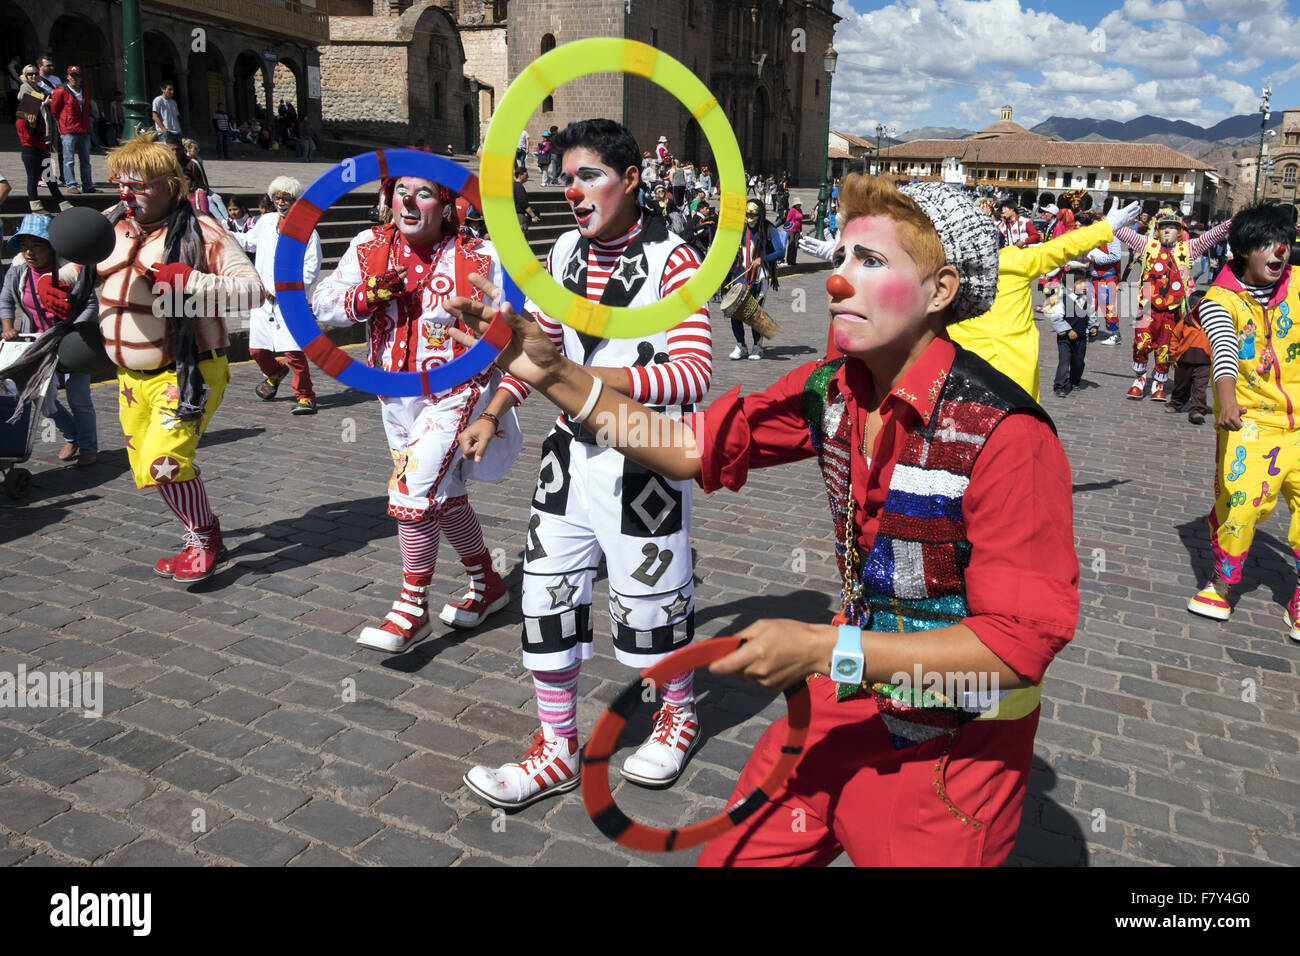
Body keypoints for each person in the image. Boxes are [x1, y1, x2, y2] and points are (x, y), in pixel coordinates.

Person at [449, 173, 1078, 866]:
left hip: (954, 757)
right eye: (839, 258)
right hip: (842, 710)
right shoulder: (833, 389)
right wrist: (552, 375)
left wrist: (824, 652)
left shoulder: (1009, 437)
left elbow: (1015, 651)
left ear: (941, 291)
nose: (836, 282)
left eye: (871, 262)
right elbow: (688, 449)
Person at [459, 118, 714, 809]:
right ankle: (555, 748)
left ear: (632, 180)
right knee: (544, 598)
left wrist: (589, 380)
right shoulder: (563, 251)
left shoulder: (675, 262)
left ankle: (678, 712)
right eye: (566, 176)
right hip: (567, 455)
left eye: (589, 175)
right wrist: (493, 409)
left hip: (642, 457)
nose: (572, 189)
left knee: (652, 610)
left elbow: (693, 374)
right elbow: (534, 357)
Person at [38, 133, 262, 581]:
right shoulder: (110, 224)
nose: (127, 194)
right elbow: (83, 267)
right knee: (153, 467)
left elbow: (253, 292)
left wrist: (190, 280)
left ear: (170, 184)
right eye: (121, 183)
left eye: (139, 184)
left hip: (188, 369)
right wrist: (55, 281)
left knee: (165, 463)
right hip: (129, 377)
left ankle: (203, 535)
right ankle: (199, 526)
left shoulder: (204, 231)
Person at [312, 175, 519, 650]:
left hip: (454, 393)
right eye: (400, 189)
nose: (407, 199)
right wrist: (367, 294)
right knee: (440, 495)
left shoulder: (480, 255)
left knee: (410, 491)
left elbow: (512, 329)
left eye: (424, 192)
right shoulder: (368, 245)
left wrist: (497, 401)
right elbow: (323, 304)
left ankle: (411, 608)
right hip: (393, 395)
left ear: (446, 204)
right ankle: (487, 583)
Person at [1187, 204, 1300, 640]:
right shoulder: (1220, 299)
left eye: (1283, 243)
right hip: (1252, 424)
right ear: (1243, 250)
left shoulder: (1297, 287)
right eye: (1266, 245)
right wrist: (1228, 402)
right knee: (1242, 504)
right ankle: (1221, 584)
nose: (1279, 252)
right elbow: (1225, 350)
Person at [0, 213, 99, 466]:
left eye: (37, 245)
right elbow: (6, 300)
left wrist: (72, 331)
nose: (29, 252)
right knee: (37, 394)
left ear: (51, 246)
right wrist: (8, 327)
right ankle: (72, 435)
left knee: (79, 398)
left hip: (74, 340)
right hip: (38, 341)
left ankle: (89, 447)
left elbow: (90, 303)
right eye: (24, 246)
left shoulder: (69, 269)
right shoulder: (19, 269)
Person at [1114, 208, 1230, 401]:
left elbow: (1210, 236)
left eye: (1172, 227)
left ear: (1180, 232)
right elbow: (1121, 231)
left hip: (1173, 309)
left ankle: (1159, 383)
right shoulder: (1147, 245)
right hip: (1147, 307)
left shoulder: (1189, 249)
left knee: (1165, 347)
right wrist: (1107, 221)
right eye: (1164, 227)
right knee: (1141, 344)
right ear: (1158, 231)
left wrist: (1229, 223)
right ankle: (1140, 379)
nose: (1167, 230)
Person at [230, 176, 320, 415]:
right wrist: (221, 232)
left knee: (293, 352)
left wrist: (283, 290)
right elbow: (248, 242)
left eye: (286, 198)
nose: (281, 202)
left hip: (289, 302)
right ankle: (275, 372)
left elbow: (311, 268)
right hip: (262, 301)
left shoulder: (307, 231)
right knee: (257, 350)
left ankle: (305, 396)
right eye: (277, 197)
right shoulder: (266, 221)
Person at [724, 198, 780, 361]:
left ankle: (757, 345)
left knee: (754, 312)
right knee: (734, 311)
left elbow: (780, 251)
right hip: (740, 274)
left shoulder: (769, 229)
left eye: (752, 214)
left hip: (759, 276)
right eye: (746, 214)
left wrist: (763, 259)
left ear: (760, 215)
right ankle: (740, 344)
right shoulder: (740, 230)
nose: (749, 218)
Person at [15, 66, 68, 213]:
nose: (33, 76)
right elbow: (28, 135)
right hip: (31, 149)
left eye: (35, 74)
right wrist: (33, 123)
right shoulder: (23, 115)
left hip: (41, 148)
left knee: (50, 178)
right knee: (33, 177)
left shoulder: (35, 102)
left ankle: (63, 203)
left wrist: (47, 138)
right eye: (29, 74)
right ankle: (36, 207)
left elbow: (41, 117)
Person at [1048, 272, 1097, 397]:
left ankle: (1075, 380)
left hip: (1081, 337)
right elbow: (1056, 318)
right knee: (1064, 362)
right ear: (1070, 286)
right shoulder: (1062, 301)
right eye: (1080, 283)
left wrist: (1093, 326)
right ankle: (1060, 385)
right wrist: (1068, 330)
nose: (1084, 285)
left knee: (1078, 361)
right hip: (1065, 339)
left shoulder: (1087, 299)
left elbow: (1091, 314)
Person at [1166, 289, 1210, 425]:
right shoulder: (1184, 323)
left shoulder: (1211, 325)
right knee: (1181, 385)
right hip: (1184, 361)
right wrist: (1172, 356)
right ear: (1192, 308)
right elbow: (1174, 338)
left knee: (1199, 387)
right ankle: (1176, 403)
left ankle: (1197, 410)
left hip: (1204, 362)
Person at [513, 165, 540, 238]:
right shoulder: (519, 187)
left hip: (516, 214)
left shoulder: (514, 185)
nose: (527, 177)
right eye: (526, 175)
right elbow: (523, 203)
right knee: (523, 237)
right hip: (519, 216)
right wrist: (533, 215)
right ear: (520, 175)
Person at [783, 197, 804, 267]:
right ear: (795, 205)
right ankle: (789, 260)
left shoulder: (800, 210)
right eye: (798, 204)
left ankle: (793, 260)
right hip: (791, 230)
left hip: (797, 230)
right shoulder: (792, 211)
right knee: (791, 245)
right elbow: (788, 220)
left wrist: (801, 230)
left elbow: (800, 221)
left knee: (795, 245)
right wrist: (787, 230)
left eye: (799, 204)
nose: (799, 206)